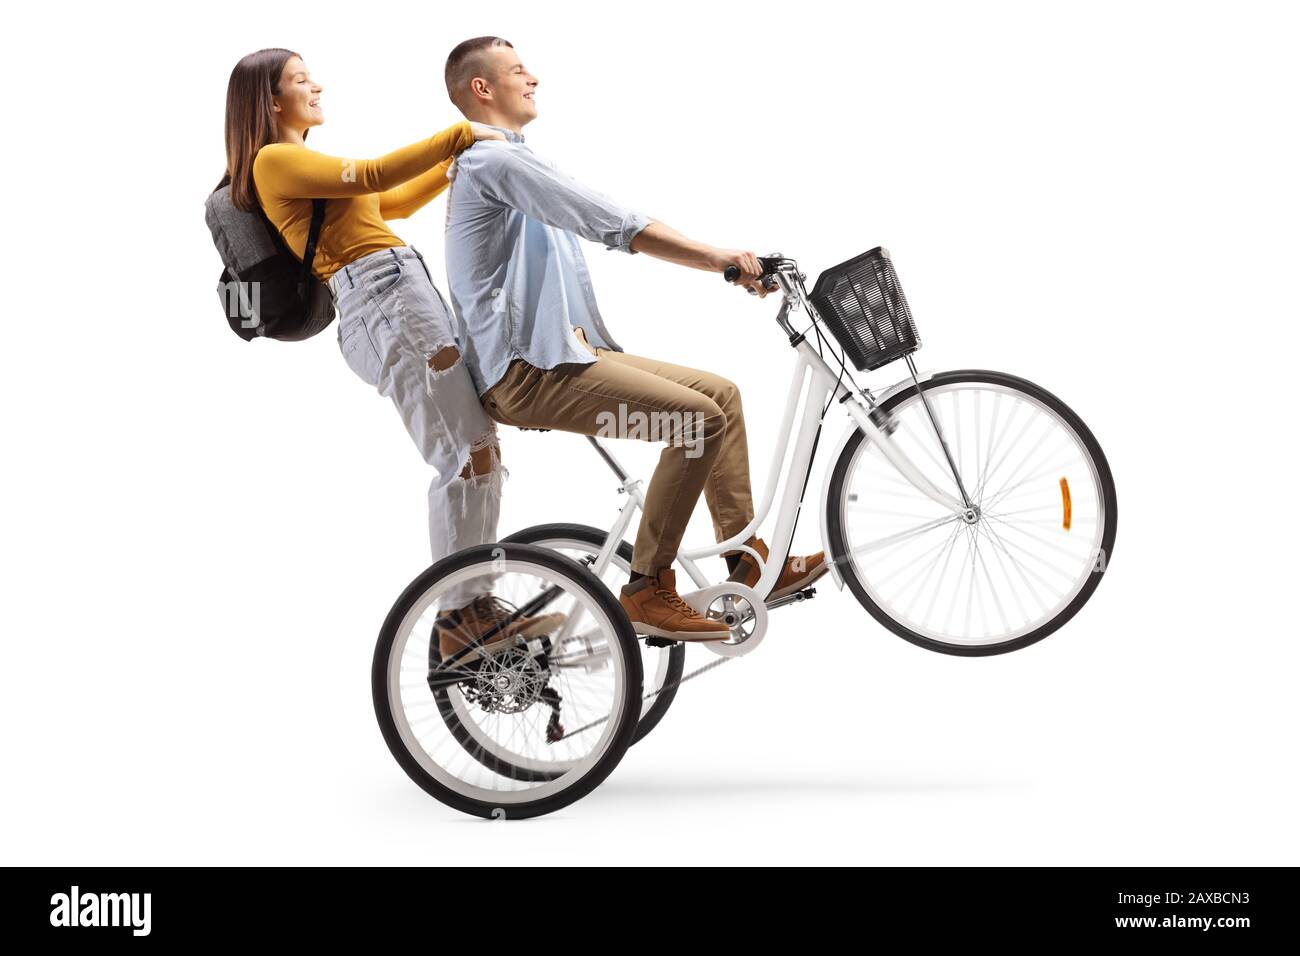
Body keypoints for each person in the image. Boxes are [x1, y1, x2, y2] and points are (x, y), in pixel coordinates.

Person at [441, 37, 829, 642]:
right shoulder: (495, 163)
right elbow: (613, 222)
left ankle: (748, 565)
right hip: (526, 375)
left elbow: (603, 218)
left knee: (720, 396)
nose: (534, 77)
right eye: (518, 70)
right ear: (481, 88)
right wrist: (719, 259)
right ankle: (647, 588)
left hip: (566, 356)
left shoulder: (518, 159)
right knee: (696, 421)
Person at [221, 48, 559, 662]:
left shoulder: (304, 164)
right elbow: (376, 174)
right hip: (383, 303)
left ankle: (472, 607)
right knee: (462, 455)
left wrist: (457, 163)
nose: (316, 85)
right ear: (271, 102)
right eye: (301, 80)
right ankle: (461, 618)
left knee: (478, 452)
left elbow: (391, 205)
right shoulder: (274, 161)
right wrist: (459, 132)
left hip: (398, 292)